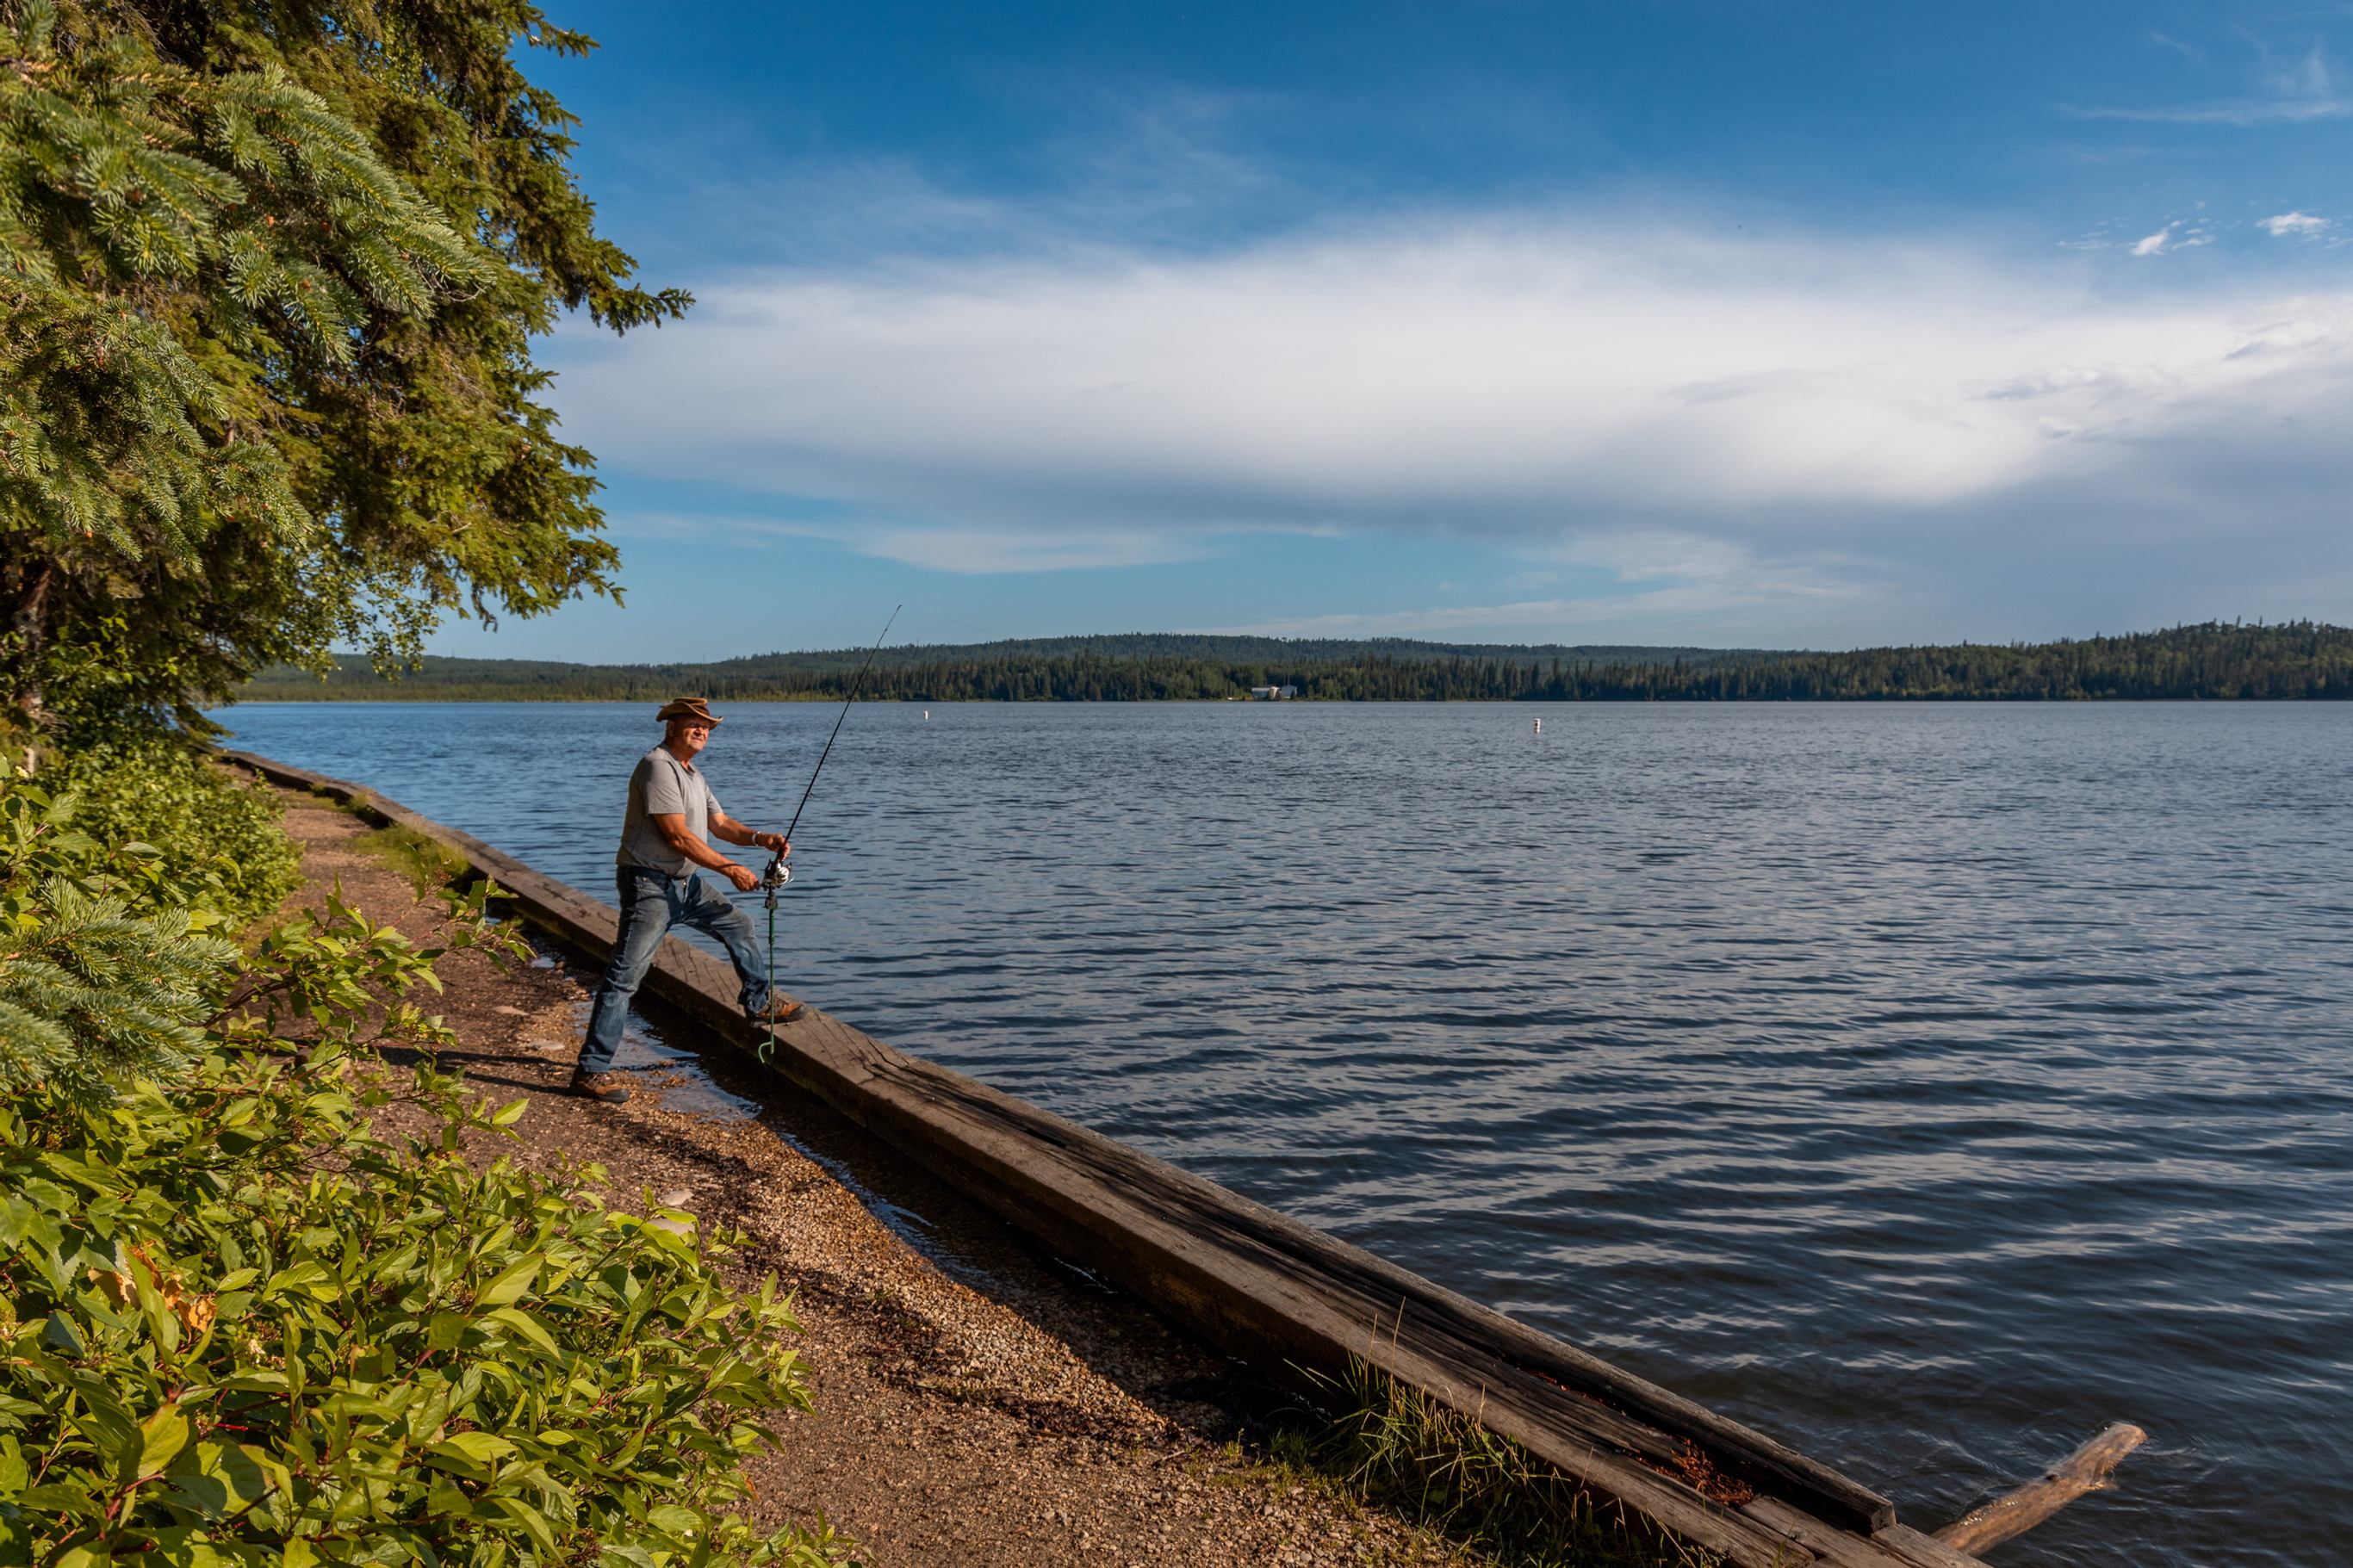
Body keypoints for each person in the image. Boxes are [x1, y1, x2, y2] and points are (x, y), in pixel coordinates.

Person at [571, 697, 805, 1104]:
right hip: (649, 887)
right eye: (694, 724)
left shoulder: (692, 773)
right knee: (625, 977)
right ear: (671, 727)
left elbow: (720, 824)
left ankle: (758, 1002)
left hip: (684, 884)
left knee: (740, 925)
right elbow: (678, 837)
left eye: (707, 726)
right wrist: (731, 869)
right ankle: (591, 1071)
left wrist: (760, 838)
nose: (702, 731)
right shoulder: (657, 767)